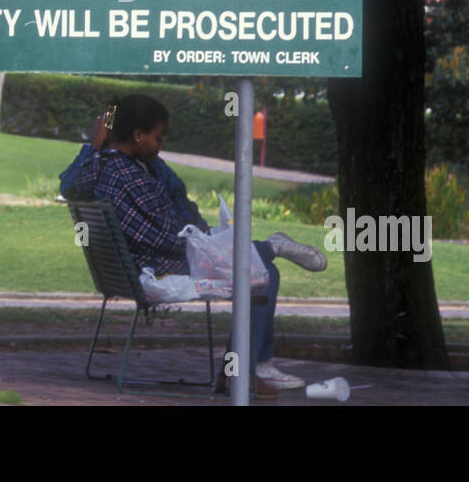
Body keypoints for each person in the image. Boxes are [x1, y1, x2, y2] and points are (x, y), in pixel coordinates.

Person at [59, 93, 326, 395]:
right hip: (158, 265)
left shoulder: (113, 166)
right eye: (158, 138)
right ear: (137, 135)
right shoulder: (127, 175)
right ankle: (269, 252)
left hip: (143, 262)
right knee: (259, 271)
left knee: (262, 271)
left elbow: (176, 199)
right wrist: (205, 239)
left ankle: (246, 368)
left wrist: (97, 143)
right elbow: (169, 234)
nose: (161, 146)